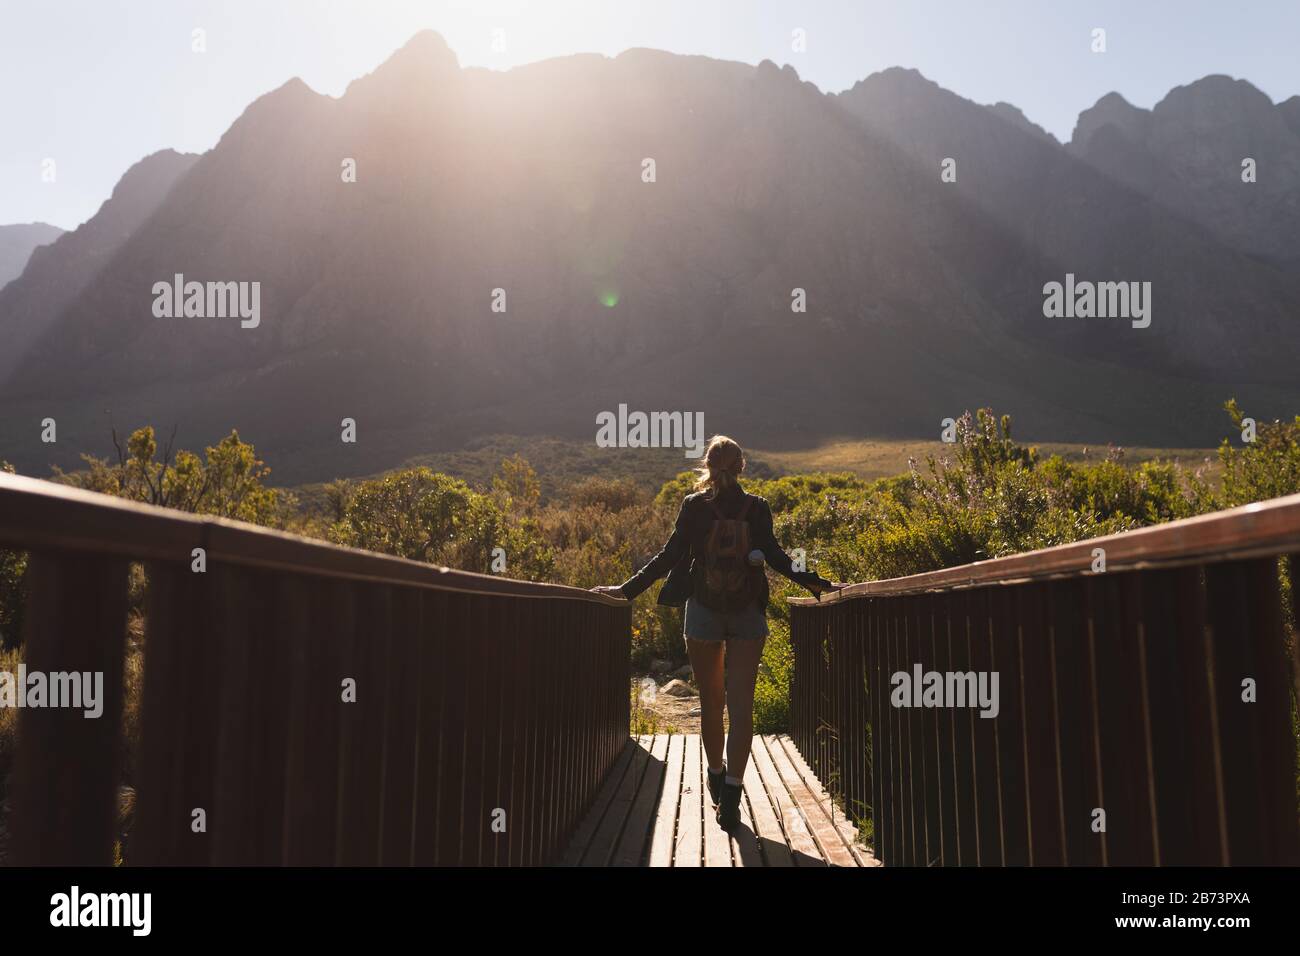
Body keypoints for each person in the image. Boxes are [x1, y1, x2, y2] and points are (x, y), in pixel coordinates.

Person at [592, 435, 834, 832]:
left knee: (711, 702)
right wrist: (816, 583)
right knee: (741, 708)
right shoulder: (757, 508)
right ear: (742, 467)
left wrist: (626, 590)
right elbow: (776, 556)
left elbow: (669, 556)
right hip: (747, 615)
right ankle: (734, 799)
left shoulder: (694, 506)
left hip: (703, 611)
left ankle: (717, 776)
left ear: (707, 466)